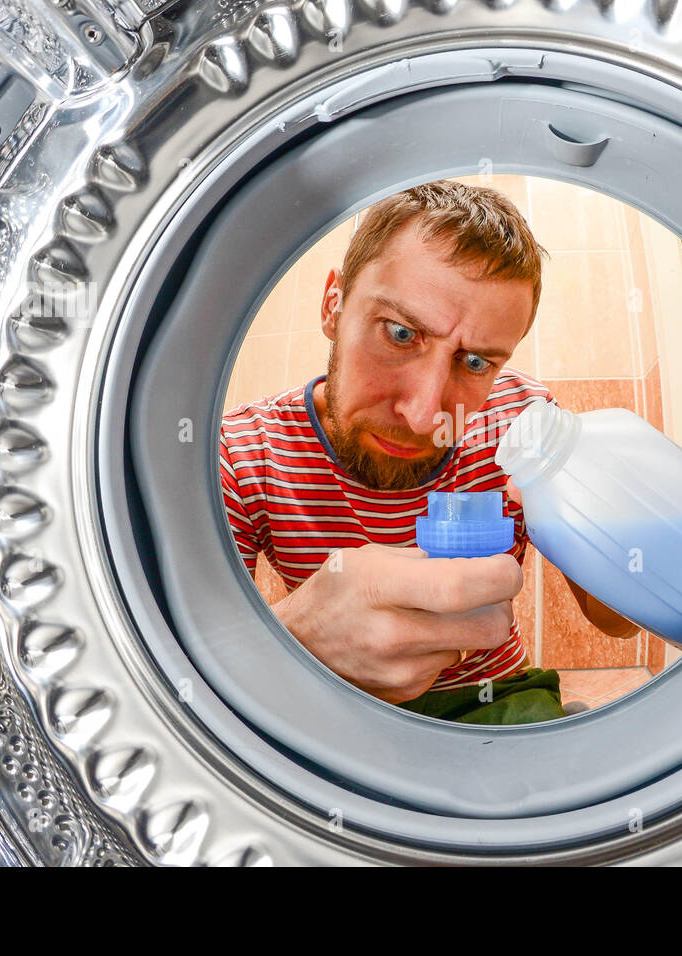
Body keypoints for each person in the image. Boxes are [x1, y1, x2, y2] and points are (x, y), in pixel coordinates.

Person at [219, 180, 637, 725]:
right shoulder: (246, 453)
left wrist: (622, 526)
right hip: (336, 704)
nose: (424, 415)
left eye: (476, 363)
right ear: (332, 307)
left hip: (498, 696)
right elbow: (190, 680)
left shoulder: (523, 425)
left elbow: (618, 624)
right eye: (399, 333)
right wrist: (289, 642)